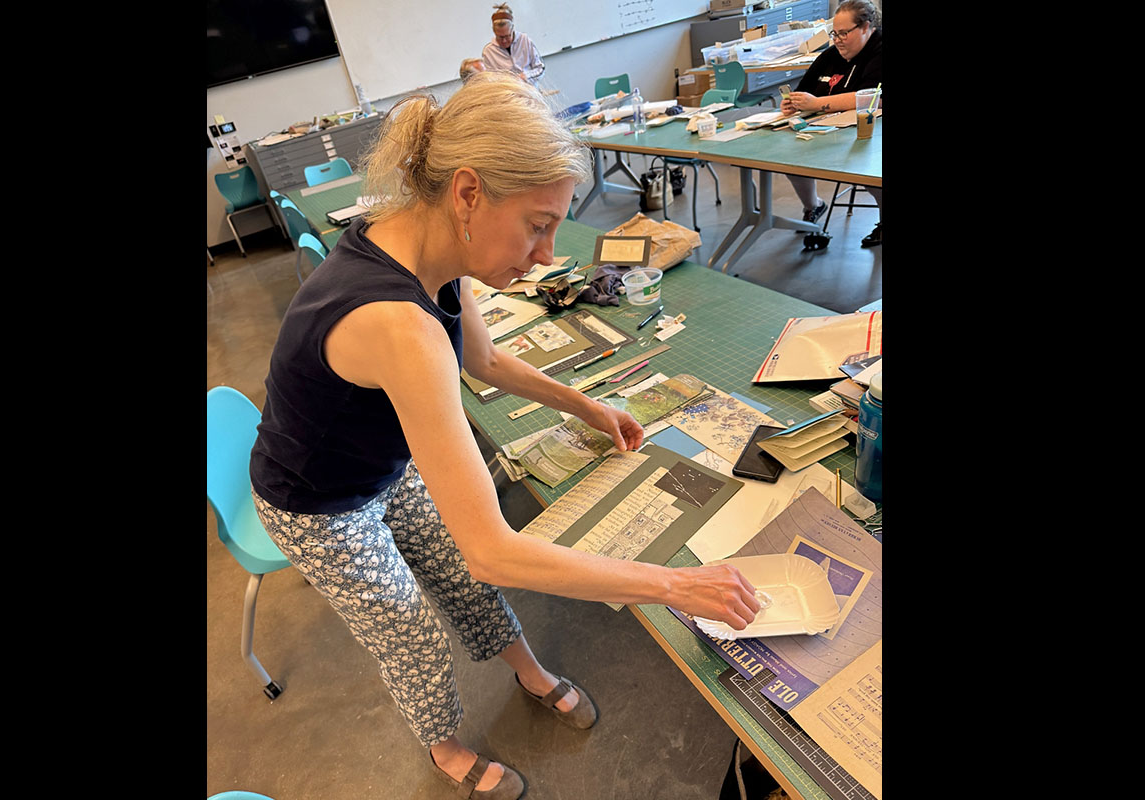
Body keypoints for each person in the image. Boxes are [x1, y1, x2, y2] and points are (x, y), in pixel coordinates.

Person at [249, 71, 761, 800]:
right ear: (467, 194)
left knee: (461, 579)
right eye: (538, 223)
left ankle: (529, 671)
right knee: (411, 631)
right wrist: (673, 585)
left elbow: (482, 359)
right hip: (316, 500)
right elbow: (494, 549)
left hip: (381, 463)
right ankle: (446, 747)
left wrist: (584, 406)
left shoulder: (423, 246)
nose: (549, 253)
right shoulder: (396, 321)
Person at [779, 0, 882, 247]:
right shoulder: (829, 56)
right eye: (834, 33)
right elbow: (803, 92)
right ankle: (813, 205)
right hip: (824, 132)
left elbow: (873, 98)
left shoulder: (879, 51)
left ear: (866, 27)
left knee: (870, 169)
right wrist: (793, 103)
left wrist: (815, 104)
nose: (838, 40)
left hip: (870, 133)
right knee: (788, 158)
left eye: (844, 33)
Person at [481, 4, 544, 89]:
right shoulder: (488, 51)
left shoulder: (524, 40)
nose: (504, 41)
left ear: (512, 29)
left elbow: (540, 68)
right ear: (494, 32)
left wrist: (526, 76)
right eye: (500, 37)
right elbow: (490, 80)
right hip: (508, 96)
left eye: (507, 36)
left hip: (530, 92)